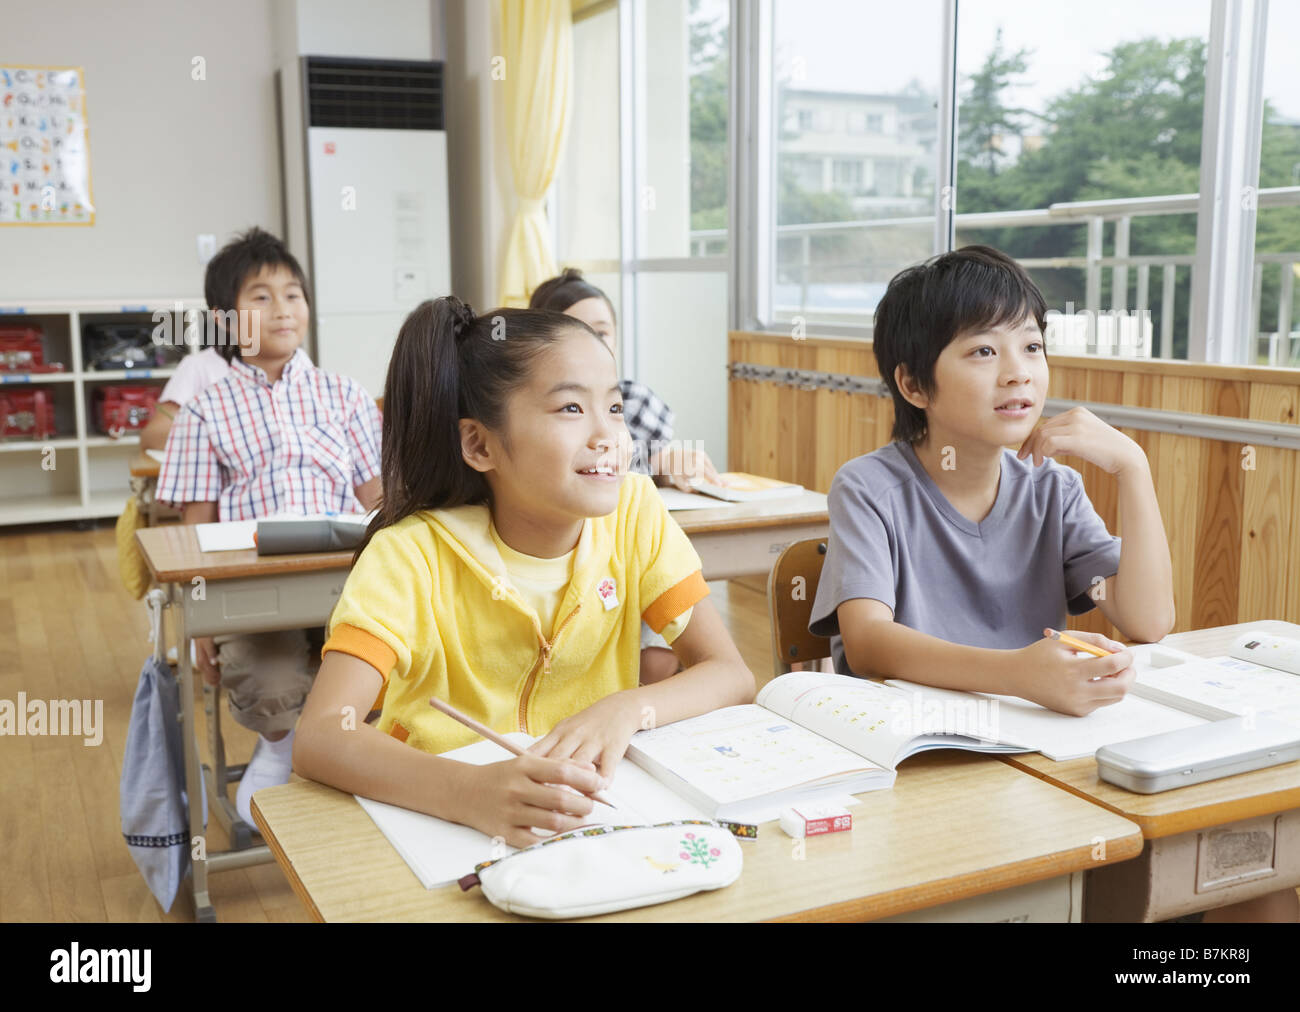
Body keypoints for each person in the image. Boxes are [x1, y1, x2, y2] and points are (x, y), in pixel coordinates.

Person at [809, 245, 1295, 922]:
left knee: (1257, 880)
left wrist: (1133, 469)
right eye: (982, 352)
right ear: (915, 386)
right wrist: (1020, 674)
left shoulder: (1053, 487)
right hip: (921, 772)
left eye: (1032, 346)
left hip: (1048, 758)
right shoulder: (871, 487)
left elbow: (1148, 620)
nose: (1017, 373)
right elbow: (867, 644)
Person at [292, 297, 754, 848]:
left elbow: (730, 672)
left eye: (614, 408)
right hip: (438, 824)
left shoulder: (635, 513)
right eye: (570, 410)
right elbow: (322, 734)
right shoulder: (408, 556)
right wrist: (470, 793)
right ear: (479, 444)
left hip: (587, 816)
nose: (607, 435)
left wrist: (628, 707)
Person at [156, 227, 382, 825]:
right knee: (271, 681)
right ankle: (284, 749)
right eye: (260, 296)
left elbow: (379, 503)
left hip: (346, 583)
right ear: (226, 321)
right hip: (256, 589)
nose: (282, 308)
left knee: (372, 674)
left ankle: (334, 751)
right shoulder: (207, 407)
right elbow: (193, 525)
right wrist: (197, 620)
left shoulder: (346, 394)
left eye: (293, 294)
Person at [530, 268, 722, 684]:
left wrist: (669, 463)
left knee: (656, 660)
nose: (593, 344)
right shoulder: (531, 410)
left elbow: (627, 468)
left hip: (628, 556)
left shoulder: (636, 399)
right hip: (564, 559)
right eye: (576, 331)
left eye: (602, 332)